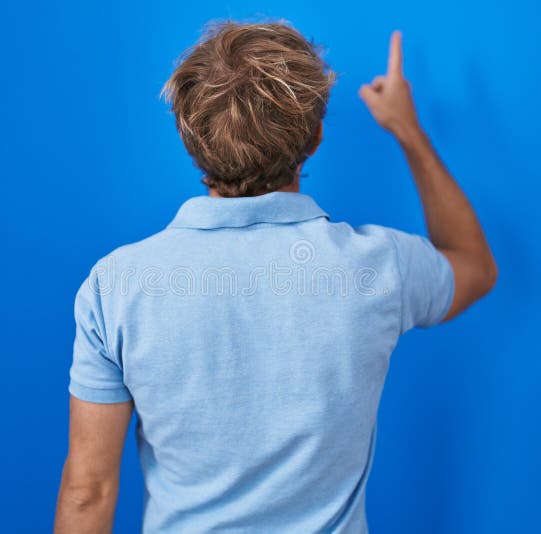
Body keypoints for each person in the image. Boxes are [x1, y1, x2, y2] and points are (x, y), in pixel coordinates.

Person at [54, 19, 497, 534]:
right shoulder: (381, 267)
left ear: (189, 134)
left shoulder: (117, 287)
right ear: (315, 135)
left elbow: (89, 492)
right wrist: (407, 130)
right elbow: (473, 262)